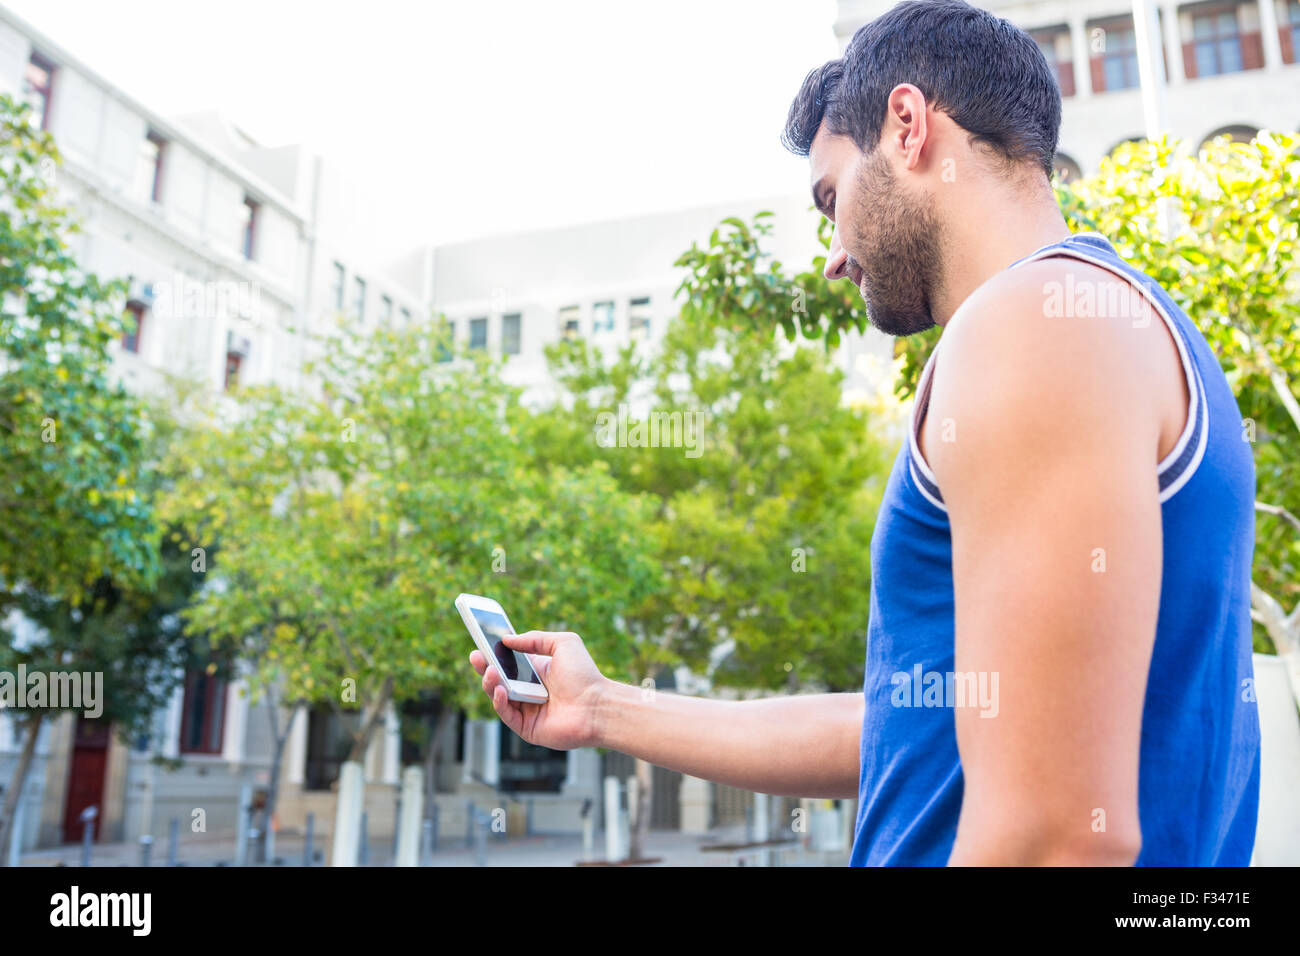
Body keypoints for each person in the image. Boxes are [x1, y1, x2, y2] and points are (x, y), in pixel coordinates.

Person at [469, 0, 1261, 865]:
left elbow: (1056, 838)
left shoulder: (1035, 324)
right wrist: (607, 708)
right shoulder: (1100, 321)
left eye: (830, 198)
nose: (833, 255)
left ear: (909, 126)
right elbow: (910, 726)